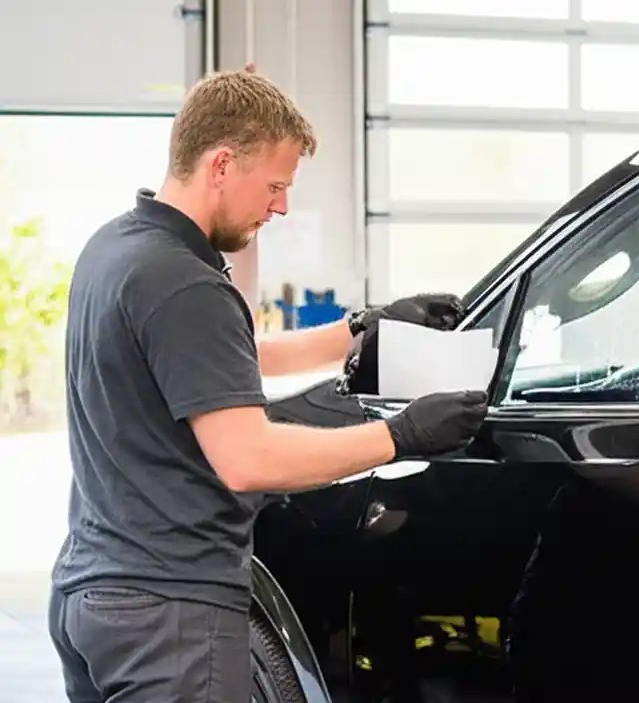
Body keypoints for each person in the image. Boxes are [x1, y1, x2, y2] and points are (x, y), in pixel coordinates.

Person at [45, 67, 487, 701]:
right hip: (169, 614)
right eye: (275, 185)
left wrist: (361, 328)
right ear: (222, 164)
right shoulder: (186, 283)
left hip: (92, 595)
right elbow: (249, 459)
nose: (280, 206)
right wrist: (401, 434)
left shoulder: (116, 249)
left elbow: (219, 358)